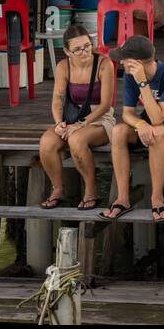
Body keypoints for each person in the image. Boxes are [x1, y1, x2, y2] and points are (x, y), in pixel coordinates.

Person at [99, 36, 164, 224]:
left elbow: (159, 118)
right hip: (150, 122)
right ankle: (123, 199)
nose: (121, 63)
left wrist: (143, 82)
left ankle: (157, 199)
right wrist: (140, 124)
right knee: (119, 131)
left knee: (156, 133)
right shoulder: (129, 75)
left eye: (125, 59)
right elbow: (127, 114)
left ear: (138, 62)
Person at [37, 24, 116, 209]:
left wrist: (81, 124)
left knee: (76, 140)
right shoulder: (63, 66)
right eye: (78, 49)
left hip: (100, 118)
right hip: (72, 117)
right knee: (47, 142)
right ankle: (57, 189)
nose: (84, 52)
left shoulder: (104, 64)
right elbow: (57, 99)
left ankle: (90, 191)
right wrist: (59, 123)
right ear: (67, 51)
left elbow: (106, 104)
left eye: (87, 46)